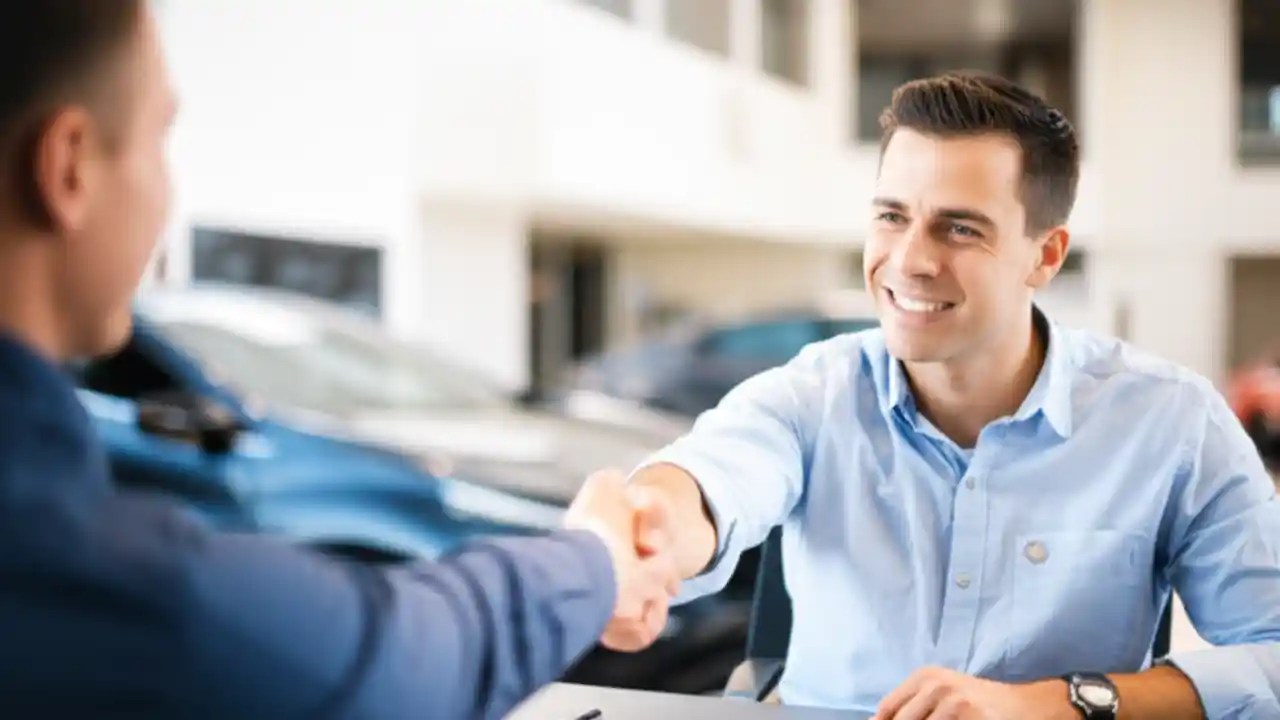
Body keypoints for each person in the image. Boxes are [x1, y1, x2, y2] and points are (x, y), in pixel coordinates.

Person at [0, 3, 677, 718]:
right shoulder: (86, 575)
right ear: (68, 166)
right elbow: (397, 661)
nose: (168, 191)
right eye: (158, 139)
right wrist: (591, 558)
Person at [578, 72, 1280, 719]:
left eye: (960, 227)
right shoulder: (812, 395)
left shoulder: (1171, 423)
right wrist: (646, 531)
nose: (910, 259)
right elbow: (709, 480)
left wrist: (1050, 704)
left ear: (1046, 254)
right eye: (891, 216)